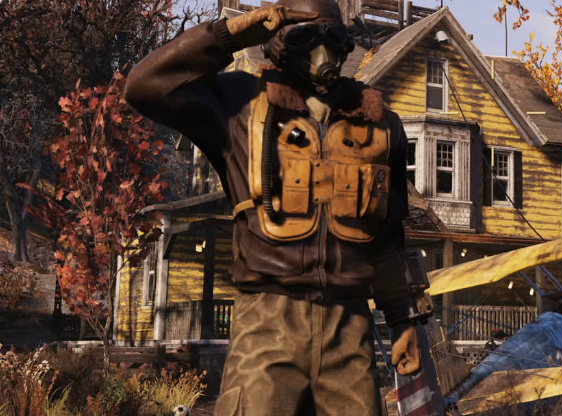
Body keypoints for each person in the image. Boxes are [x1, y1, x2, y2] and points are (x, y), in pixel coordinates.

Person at [124, 1, 424, 415]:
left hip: (349, 329)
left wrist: (403, 320)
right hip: (266, 324)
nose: (322, 50)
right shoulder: (241, 105)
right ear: (277, 43)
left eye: (333, 37)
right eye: (305, 37)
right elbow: (143, 87)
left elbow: (389, 236)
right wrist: (228, 36)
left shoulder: (379, 125)